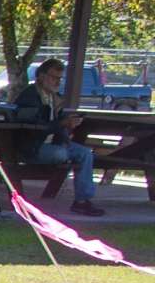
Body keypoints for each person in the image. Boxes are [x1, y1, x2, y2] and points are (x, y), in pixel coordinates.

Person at [12, 58, 104, 217]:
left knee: (85, 153)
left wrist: (68, 126)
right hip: (33, 147)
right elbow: (34, 127)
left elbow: (56, 125)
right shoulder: (30, 96)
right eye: (54, 77)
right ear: (40, 76)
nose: (57, 82)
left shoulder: (56, 98)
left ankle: (82, 202)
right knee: (60, 154)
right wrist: (61, 123)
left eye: (59, 78)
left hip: (54, 144)